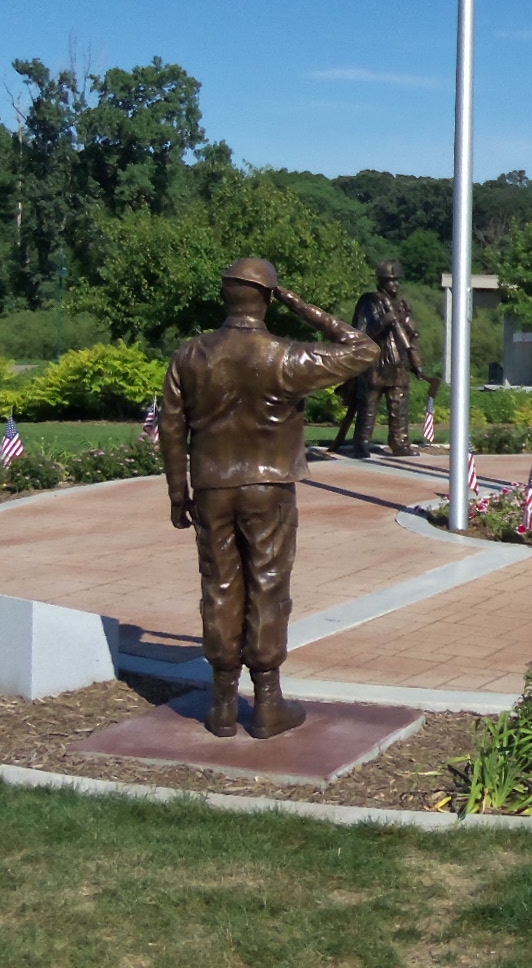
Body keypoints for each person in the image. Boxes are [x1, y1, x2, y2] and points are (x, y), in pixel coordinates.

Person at [159, 258, 375, 738]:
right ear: (268, 297)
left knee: (218, 587)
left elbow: (171, 426)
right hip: (269, 487)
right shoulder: (287, 357)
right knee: (268, 588)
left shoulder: (191, 354)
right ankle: (268, 702)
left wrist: (179, 490)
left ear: (227, 295)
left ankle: (221, 704)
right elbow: (364, 349)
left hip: (212, 487)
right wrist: (303, 308)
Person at [344, 259, 427, 459]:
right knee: (369, 405)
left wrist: (410, 327)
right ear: (381, 282)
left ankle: (400, 443)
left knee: (399, 404)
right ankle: (362, 444)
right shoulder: (370, 301)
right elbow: (361, 333)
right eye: (390, 281)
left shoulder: (402, 304)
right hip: (376, 363)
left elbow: (410, 336)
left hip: (399, 362)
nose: (395, 285)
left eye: (397, 281)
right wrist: (384, 321)